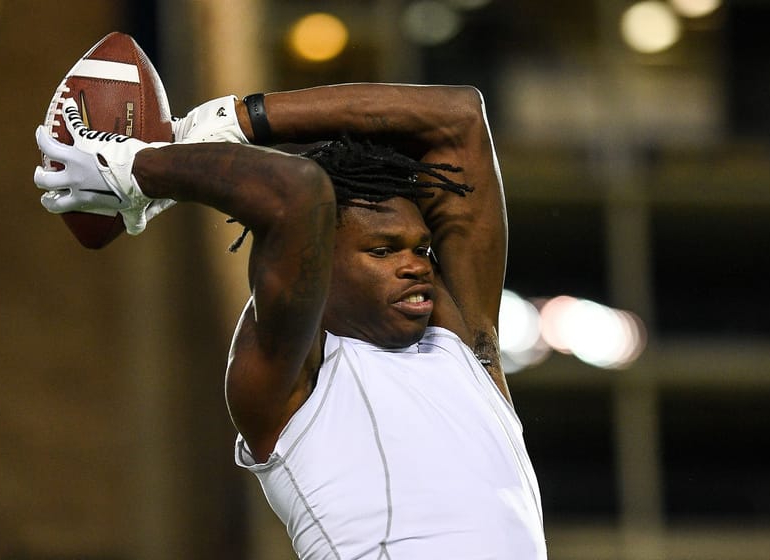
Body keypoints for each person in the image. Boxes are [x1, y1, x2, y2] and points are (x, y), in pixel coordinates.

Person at [34, 83, 547, 559]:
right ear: (321, 265)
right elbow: (296, 192)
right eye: (382, 250)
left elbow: (460, 117)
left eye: (421, 248)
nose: (416, 265)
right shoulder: (288, 374)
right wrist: (141, 169)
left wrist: (236, 121)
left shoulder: (464, 347)